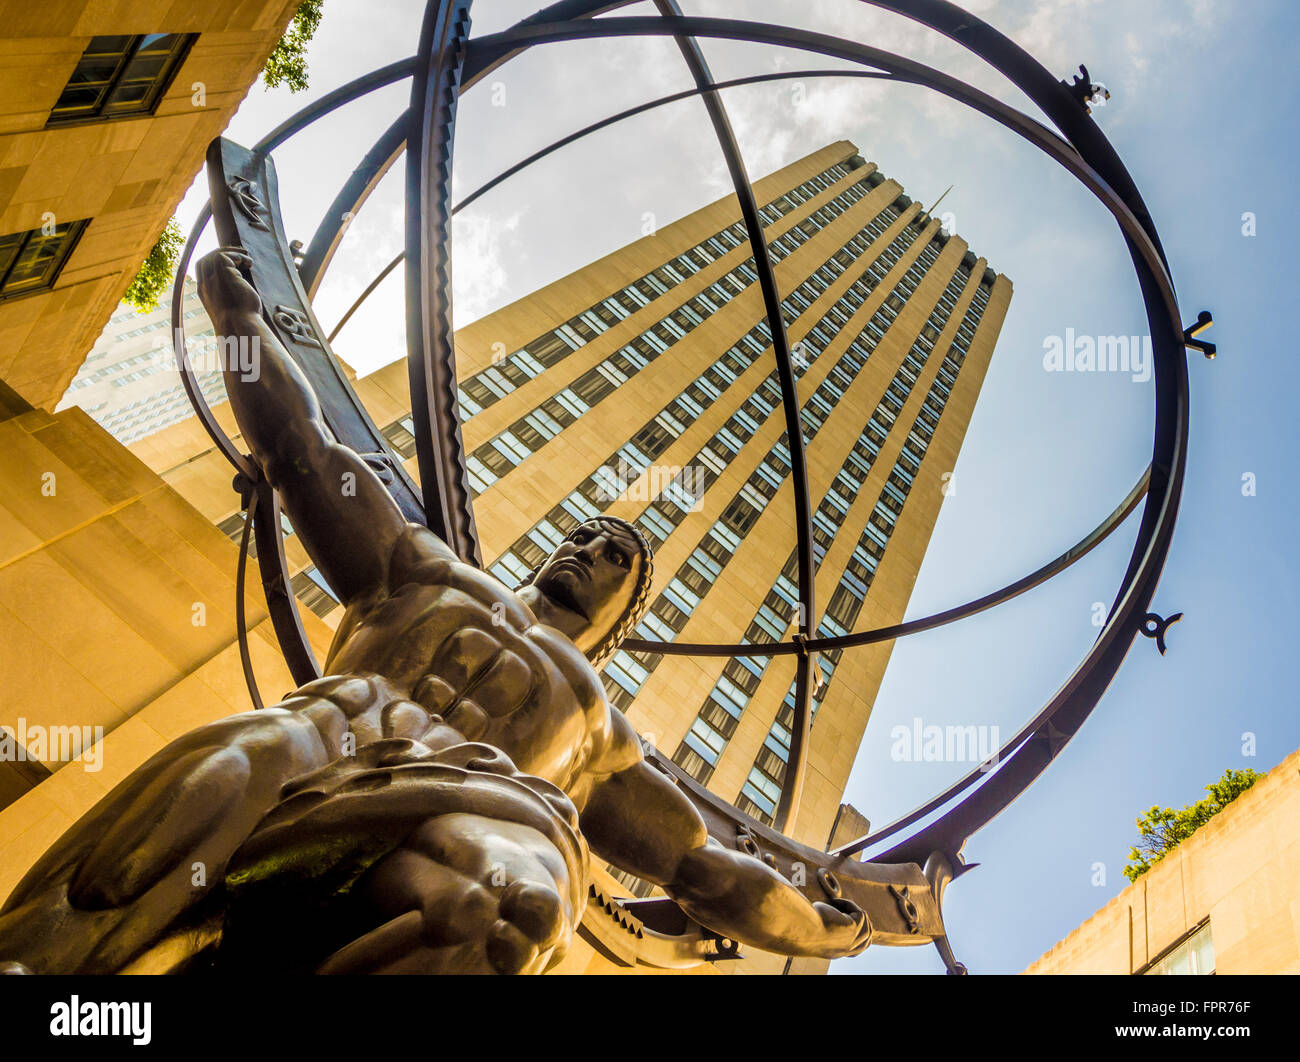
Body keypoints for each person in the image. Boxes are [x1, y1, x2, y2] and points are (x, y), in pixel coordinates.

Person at [0, 249, 868, 974]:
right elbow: (303, 450)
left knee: (513, 910)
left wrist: (829, 929)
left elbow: (703, 869)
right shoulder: (424, 568)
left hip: (488, 809)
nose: (585, 552)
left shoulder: (601, 733)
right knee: (196, 798)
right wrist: (237, 319)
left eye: (614, 557)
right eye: (584, 535)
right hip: (328, 743)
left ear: (624, 613)